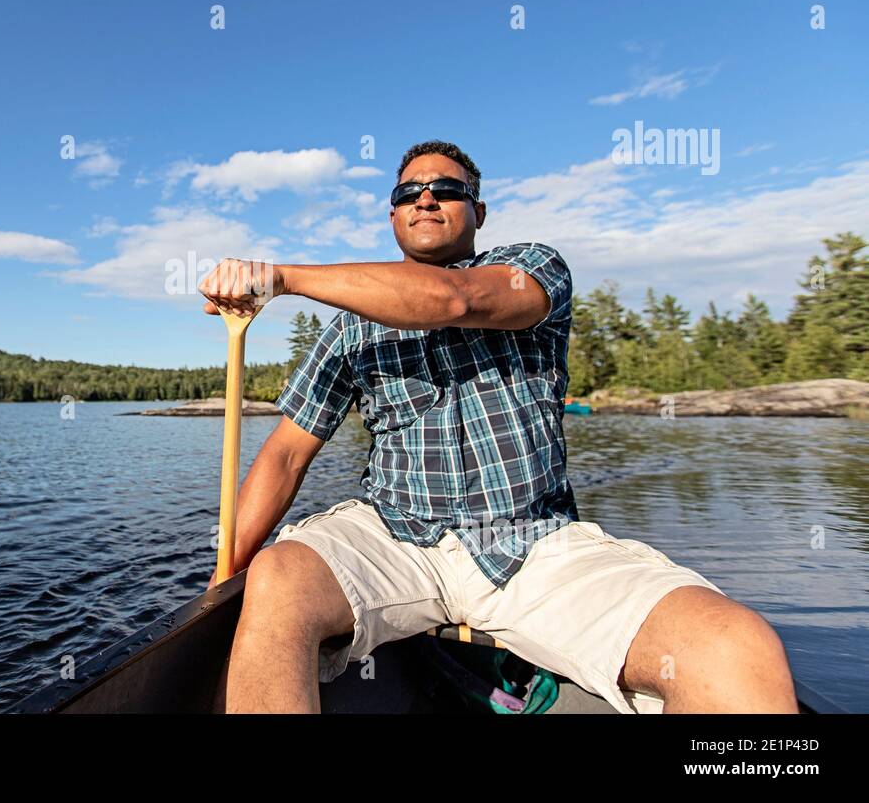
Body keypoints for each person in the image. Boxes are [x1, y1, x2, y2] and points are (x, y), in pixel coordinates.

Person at [198, 139, 797, 714]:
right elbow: (284, 457)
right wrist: (224, 577)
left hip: (534, 545)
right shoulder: (347, 332)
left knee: (731, 648)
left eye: (445, 190)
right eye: (409, 193)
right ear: (392, 214)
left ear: (478, 211)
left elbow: (454, 299)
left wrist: (282, 277)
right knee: (276, 580)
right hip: (397, 536)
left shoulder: (528, 270)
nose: (425, 200)